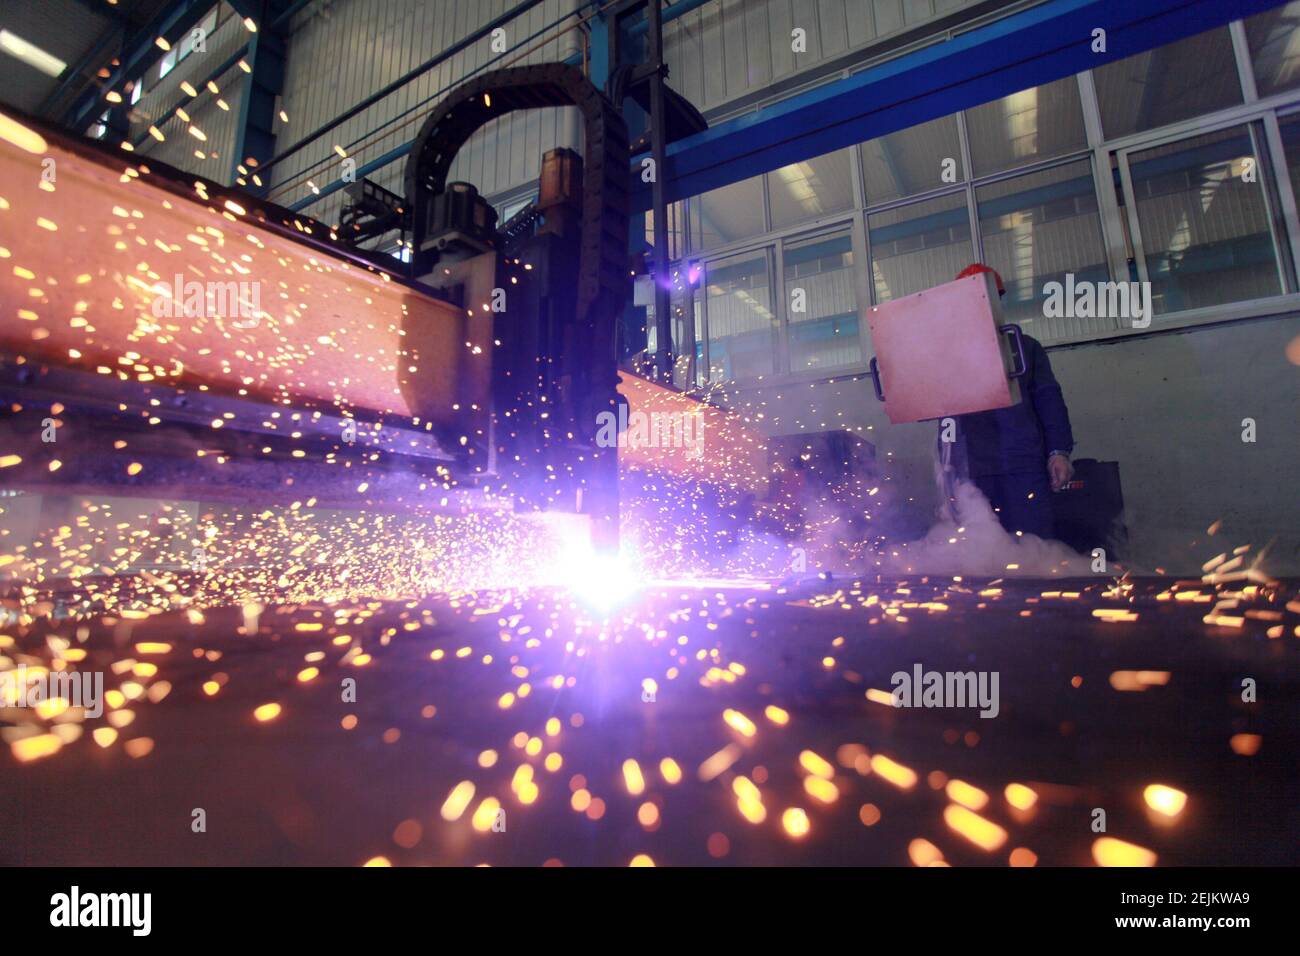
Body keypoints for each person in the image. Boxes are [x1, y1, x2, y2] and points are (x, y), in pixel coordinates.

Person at [947, 264, 1075, 539]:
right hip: (973, 470)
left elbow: (1049, 401)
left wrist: (1058, 452)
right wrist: (948, 473)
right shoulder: (950, 357)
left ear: (997, 299)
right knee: (981, 549)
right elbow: (945, 420)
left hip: (1023, 464)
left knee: (1032, 544)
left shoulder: (1024, 347)